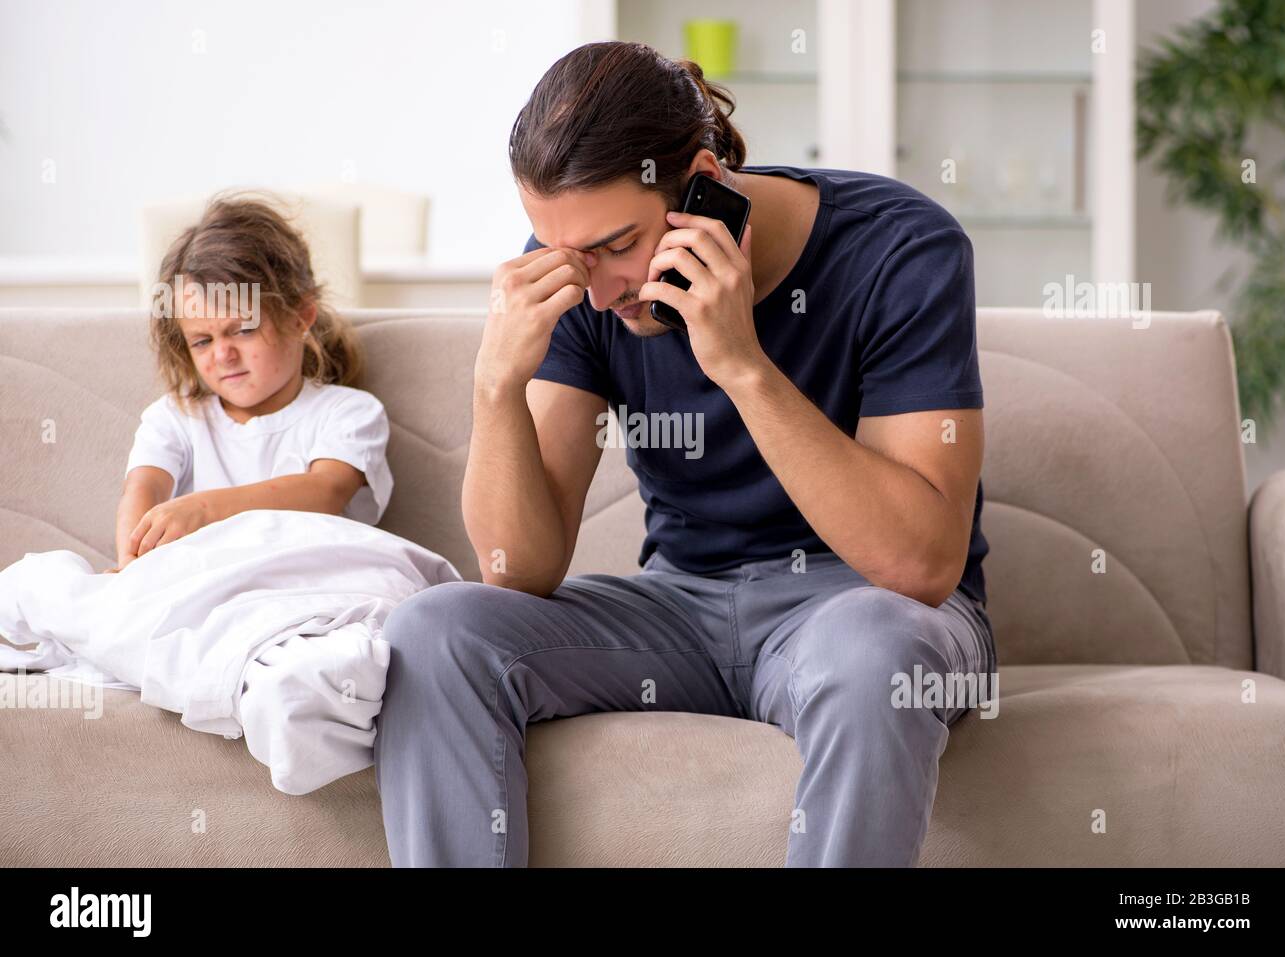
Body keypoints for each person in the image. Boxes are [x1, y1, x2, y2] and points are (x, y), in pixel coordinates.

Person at [375, 41, 996, 867]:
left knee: (871, 652)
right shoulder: (584, 282)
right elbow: (514, 568)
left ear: (703, 181)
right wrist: (495, 385)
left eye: (616, 245)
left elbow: (920, 565)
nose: (595, 291)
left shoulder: (900, 249)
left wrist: (741, 364)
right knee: (432, 630)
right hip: (681, 606)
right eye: (566, 254)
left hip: (867, 607)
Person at [115, 194, 393, 571]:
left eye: (242, 330)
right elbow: (143, 489)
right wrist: (132, 566)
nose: (222, 354)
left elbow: (325, 491)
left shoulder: (348, 412)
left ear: (300, 317)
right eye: (202, 340)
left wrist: (204, 508)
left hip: (304, 585)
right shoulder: (174, 418)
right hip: (201, 587)